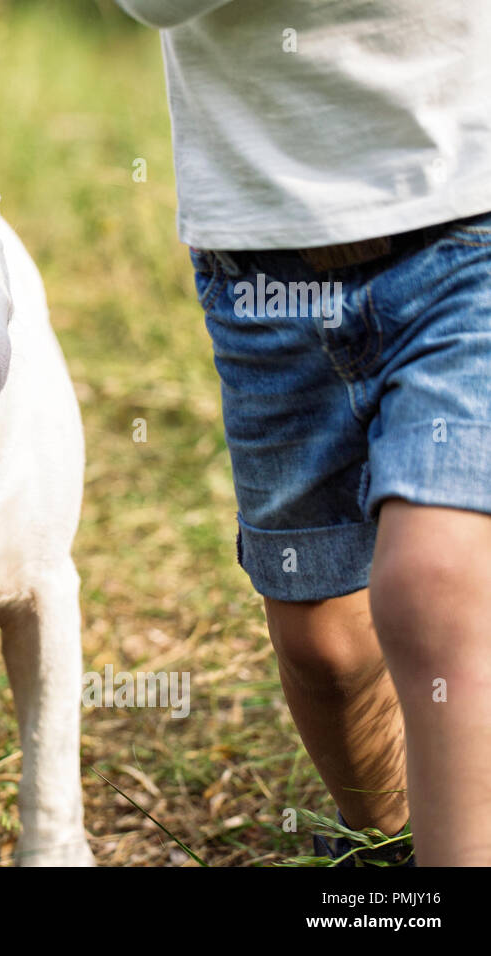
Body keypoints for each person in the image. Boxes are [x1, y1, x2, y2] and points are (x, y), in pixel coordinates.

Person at [114, 0, 491, 865]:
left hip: (467, 221)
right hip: (263, 270)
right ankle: (391, 847)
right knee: (322, 645)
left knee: (432, 584)